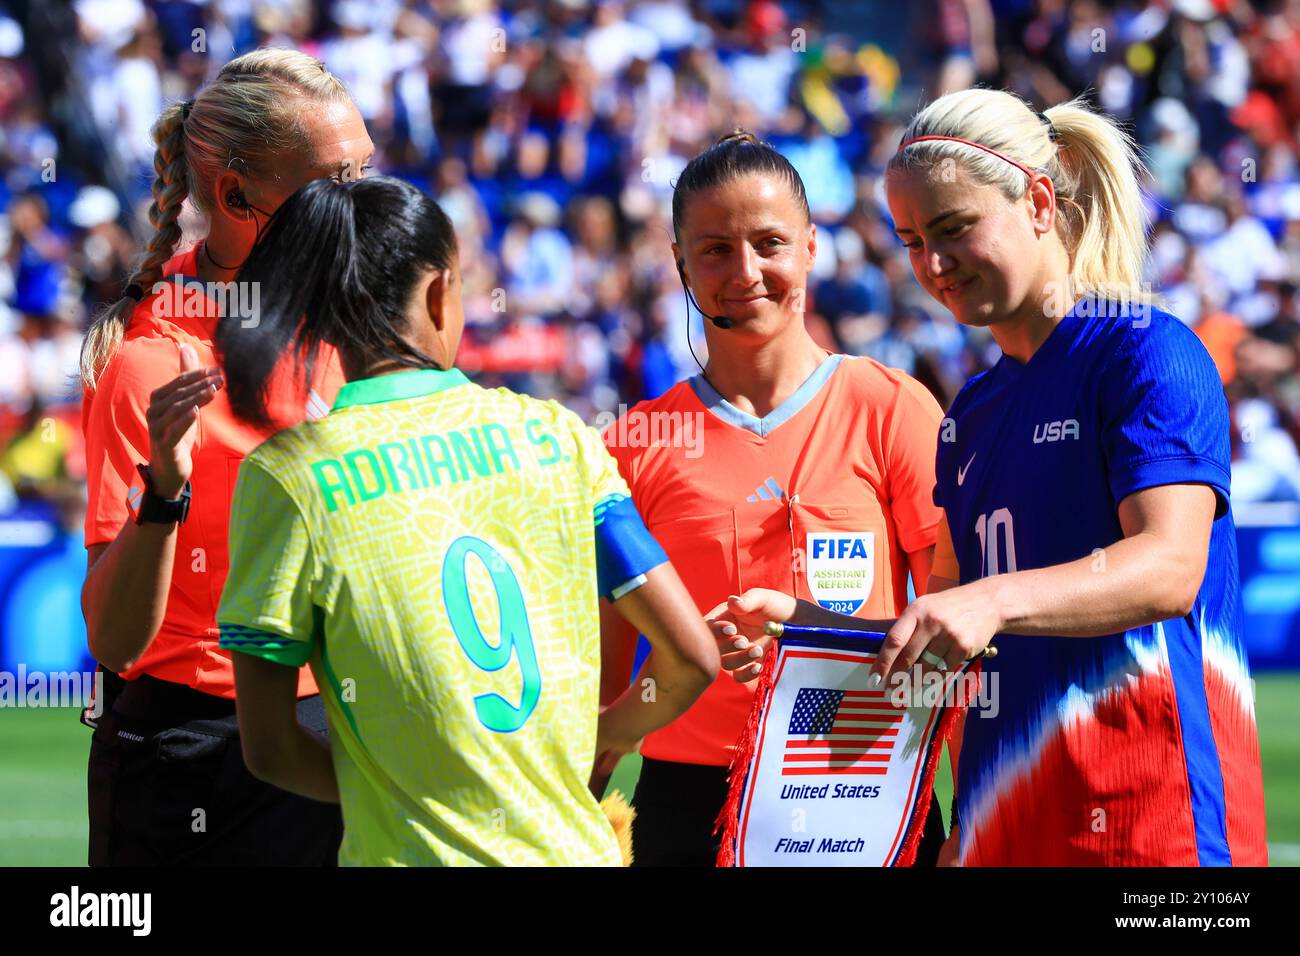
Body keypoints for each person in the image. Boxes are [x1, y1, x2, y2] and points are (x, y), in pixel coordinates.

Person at [717, 89, 1269, 866]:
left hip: (1155, 838)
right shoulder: (971, 412)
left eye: (953, 228)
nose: (931, 266)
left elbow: (1171, 567)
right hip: (1004, 833)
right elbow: (944, 630)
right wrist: (805, 627)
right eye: (910, 240)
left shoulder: (1147, 351)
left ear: (1040, 201)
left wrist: (992, 600)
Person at [214, 175, 719, 866]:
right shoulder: (558, 436)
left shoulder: (287, 476)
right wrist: (599, 737)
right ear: (439, 292)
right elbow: (691, 659)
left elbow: (268, 748)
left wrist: (403, 788)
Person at [600, 130, 950, 867]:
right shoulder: (634, 443)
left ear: (813, 247)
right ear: (681, 266)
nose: (746, 271)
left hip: (867, 789)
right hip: (687, 808)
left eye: (769, 243)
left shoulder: (891, 409)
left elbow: (957, 634)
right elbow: (603, 675)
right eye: (715, 249)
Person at [79, 48, 373, 866]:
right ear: (236, 194)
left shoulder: (355, 324)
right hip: (190, 754)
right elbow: (116, 641)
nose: (369, 207)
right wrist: (165, 497)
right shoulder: (152, 360)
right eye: (338, 185)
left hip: (329, 729)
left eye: (368, 173)